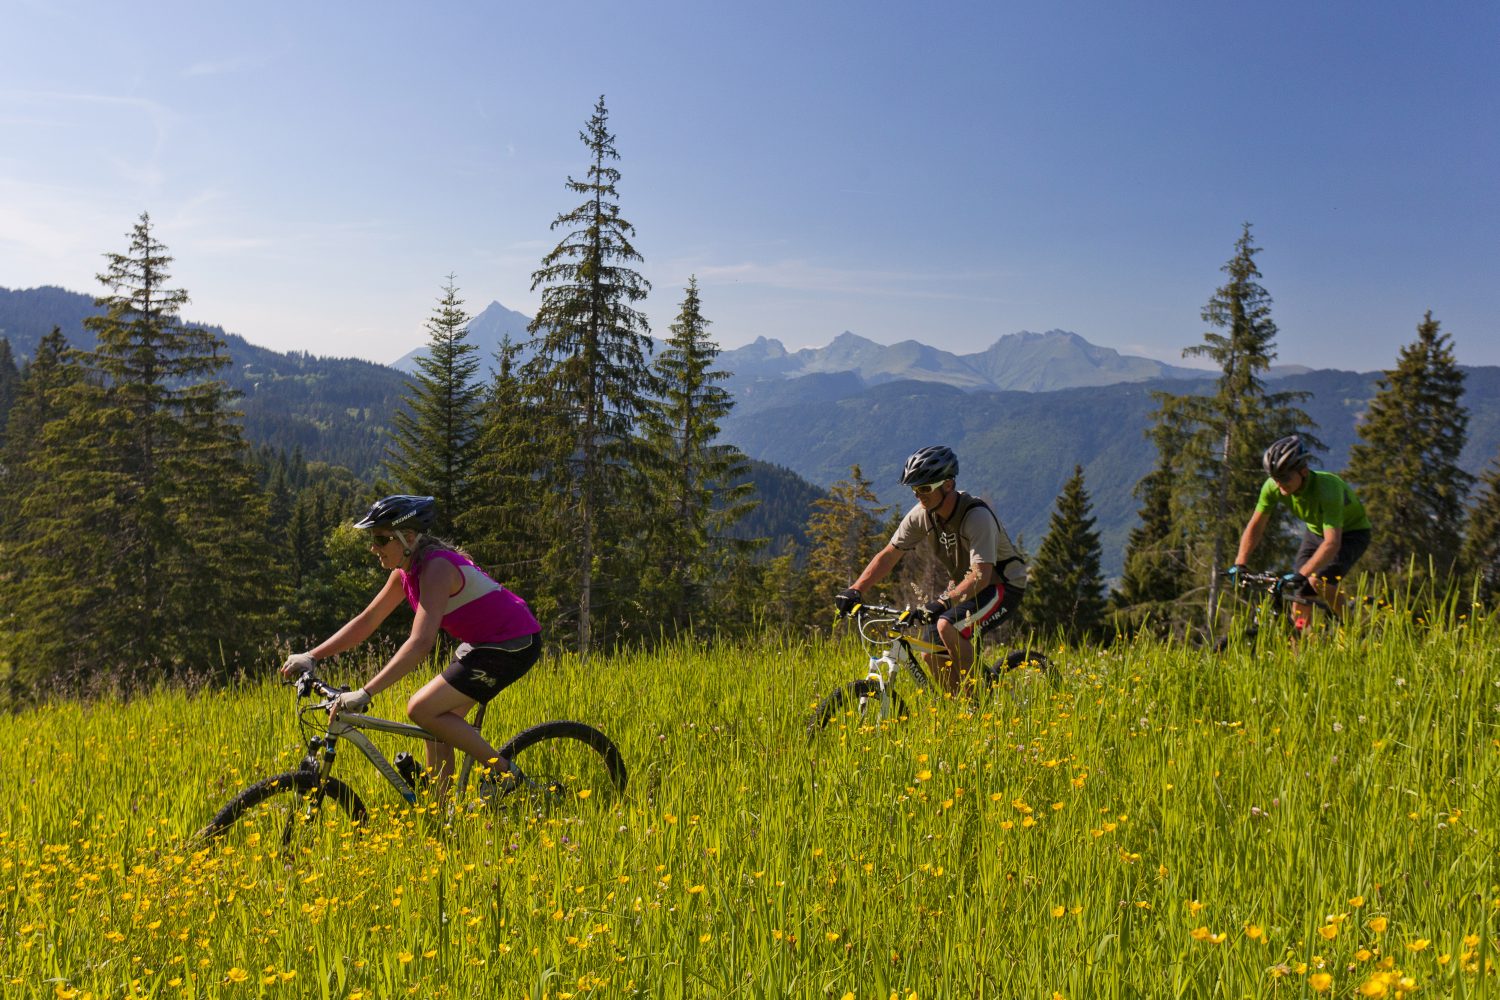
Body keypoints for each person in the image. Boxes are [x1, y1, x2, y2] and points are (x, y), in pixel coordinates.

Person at [279, 494, 541, 801]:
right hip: (482, 643)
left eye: (381, 539)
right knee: (437, 726)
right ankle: (440, 812)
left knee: (421, 708)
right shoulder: (404, 573)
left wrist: (366, 692)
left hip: (512, 643)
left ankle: (505, 774)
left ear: (410, 537)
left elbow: (420, 642)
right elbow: (367, 621)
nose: (373, 548)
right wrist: (312, 656)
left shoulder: (437, 568)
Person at [833, 445, 1027, 693]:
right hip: (968, 585)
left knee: (947, 626)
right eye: (914, 489)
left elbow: (981, 576)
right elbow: (889, 555)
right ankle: (960, 707)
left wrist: (942, 603)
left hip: (1002, 585)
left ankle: (983, 700)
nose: (918, 496)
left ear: (948, 485)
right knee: (929, 651)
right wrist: (856, 589)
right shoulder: (921, 516)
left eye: (925, 488)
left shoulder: (976, 516)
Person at [1229, 435, 1372, 620]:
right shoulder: (1273, 487)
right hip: (1316, 532)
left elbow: (1332, 543)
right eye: (1275, 477)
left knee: (1317, 580)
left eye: (1285, 478)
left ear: (1303, 472)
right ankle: (1303, 638)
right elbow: (1256, 526)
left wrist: (1303, 574)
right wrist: (1240, 563)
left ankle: (1351, 627)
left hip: (1351, 533)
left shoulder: (1327, 489)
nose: (1279, 484)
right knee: (1300, 594)